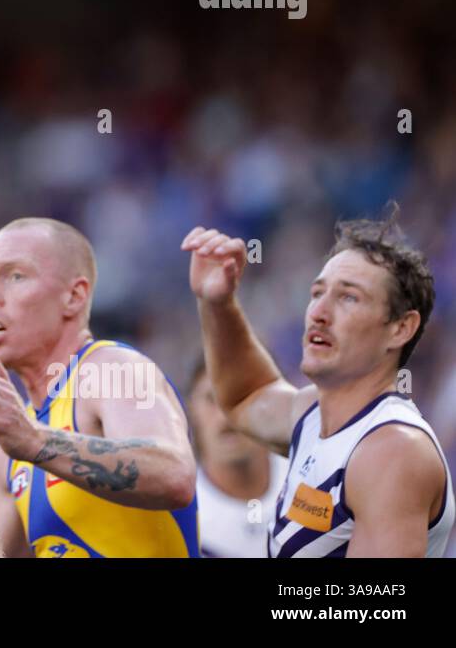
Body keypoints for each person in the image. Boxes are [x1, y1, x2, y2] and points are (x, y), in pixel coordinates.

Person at [182, 213, 454, 557]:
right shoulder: (312, 414)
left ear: (400, 328)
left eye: (348, 298)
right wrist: (217, 302)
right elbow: (243, 398)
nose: (318, 313)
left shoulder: (393, 451)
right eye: (317, 292)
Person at [0, 218, 199, 557]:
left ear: (74, 297)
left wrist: (36, 441)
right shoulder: (11, 444)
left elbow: (174, 475)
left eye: (16, 276)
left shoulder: (111, 369)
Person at [184, 359, 286, 557]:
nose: (225, 416)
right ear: (191, 408)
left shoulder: (314, 478)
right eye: (210, 399)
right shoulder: (182, 515)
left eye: (241, 395)